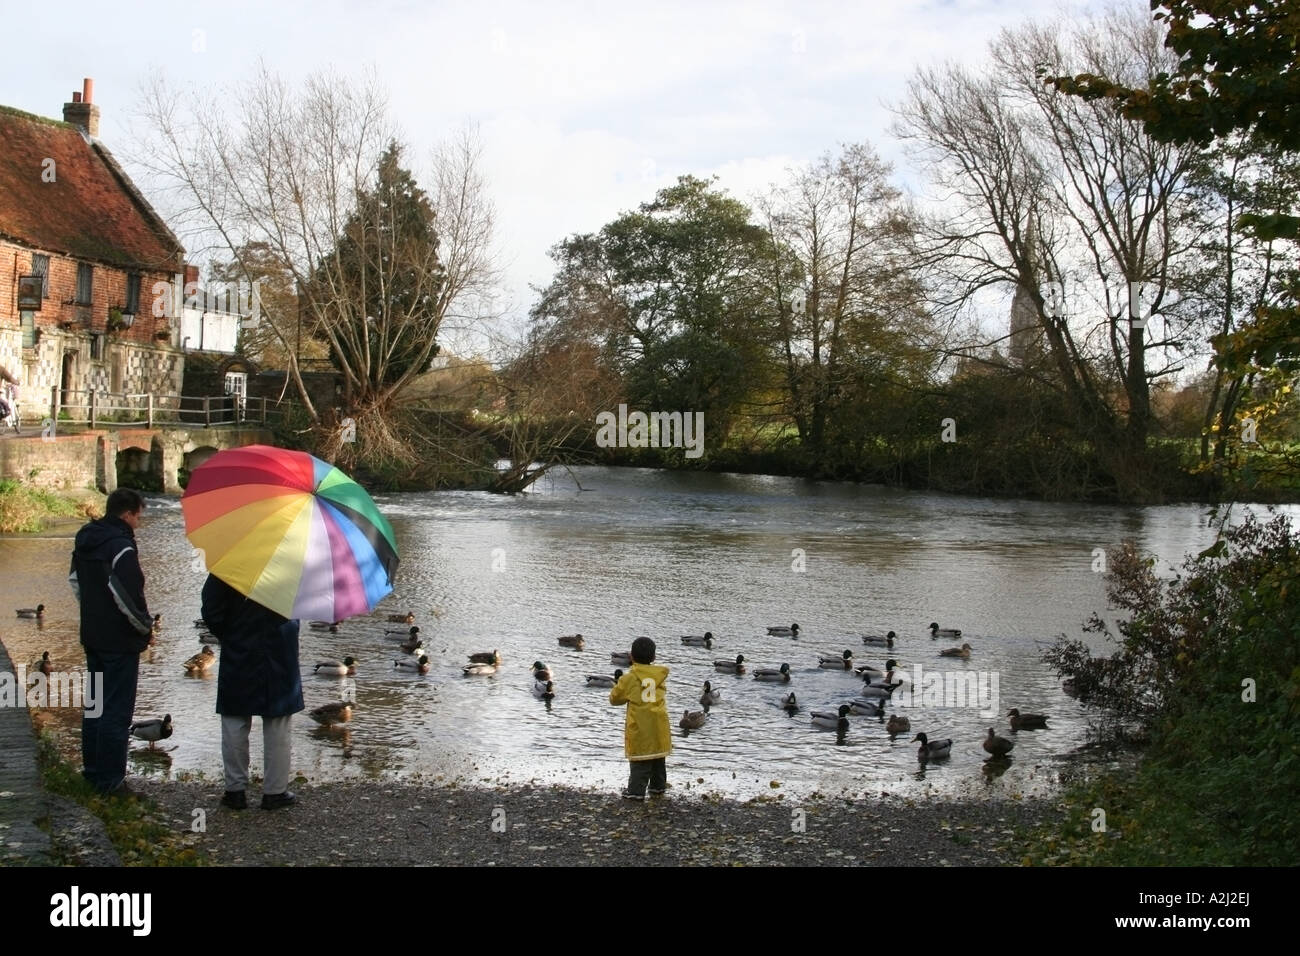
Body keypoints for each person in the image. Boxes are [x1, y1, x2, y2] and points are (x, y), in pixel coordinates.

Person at [70, 488, 152, 797]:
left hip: (93, 635)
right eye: (138, 517)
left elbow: (76, 582)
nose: (138, 523)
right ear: (128, 514)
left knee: (94, 706)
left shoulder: (86, 537)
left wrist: (94, 612)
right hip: (119, 641)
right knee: (116, 711)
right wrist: (144, 628)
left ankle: (92, 773)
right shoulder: (121, 547)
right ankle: (112, 782)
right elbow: (127, 597)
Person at [200, 574, 303, 810]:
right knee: (278, 720)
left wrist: (229, 634)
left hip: (240, 645)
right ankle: (275, 791)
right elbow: (307, 602)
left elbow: (211, 606)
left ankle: (235, 791)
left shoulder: (231, 559)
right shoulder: (295, 562)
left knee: (235, 718)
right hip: (280, 647)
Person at [608, 637, 671, 801]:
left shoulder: (629, 678)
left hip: (641, 726)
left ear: (631, 657)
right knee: (658, 758)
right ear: (654, 658)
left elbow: (614, 699)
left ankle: (635, 791)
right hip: (659, 724)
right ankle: (658, 787)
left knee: (640, 761)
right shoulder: (660, 676)